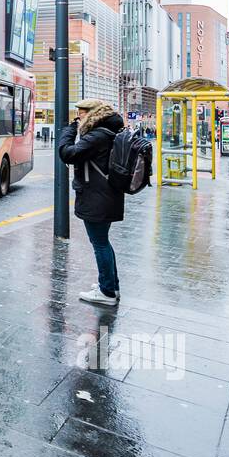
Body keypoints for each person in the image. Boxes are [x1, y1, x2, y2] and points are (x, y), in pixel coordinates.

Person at [57, 98, 126, 306]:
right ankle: (110, 285)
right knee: (103, 241)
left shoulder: (97, 136)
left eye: (82, 112)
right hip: (106, 195)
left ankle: (107, 292)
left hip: (97, 196)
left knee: (100, 243)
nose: (78, 116)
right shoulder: (109, 131)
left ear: (92, 113)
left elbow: (67, 153)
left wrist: (69, 130)